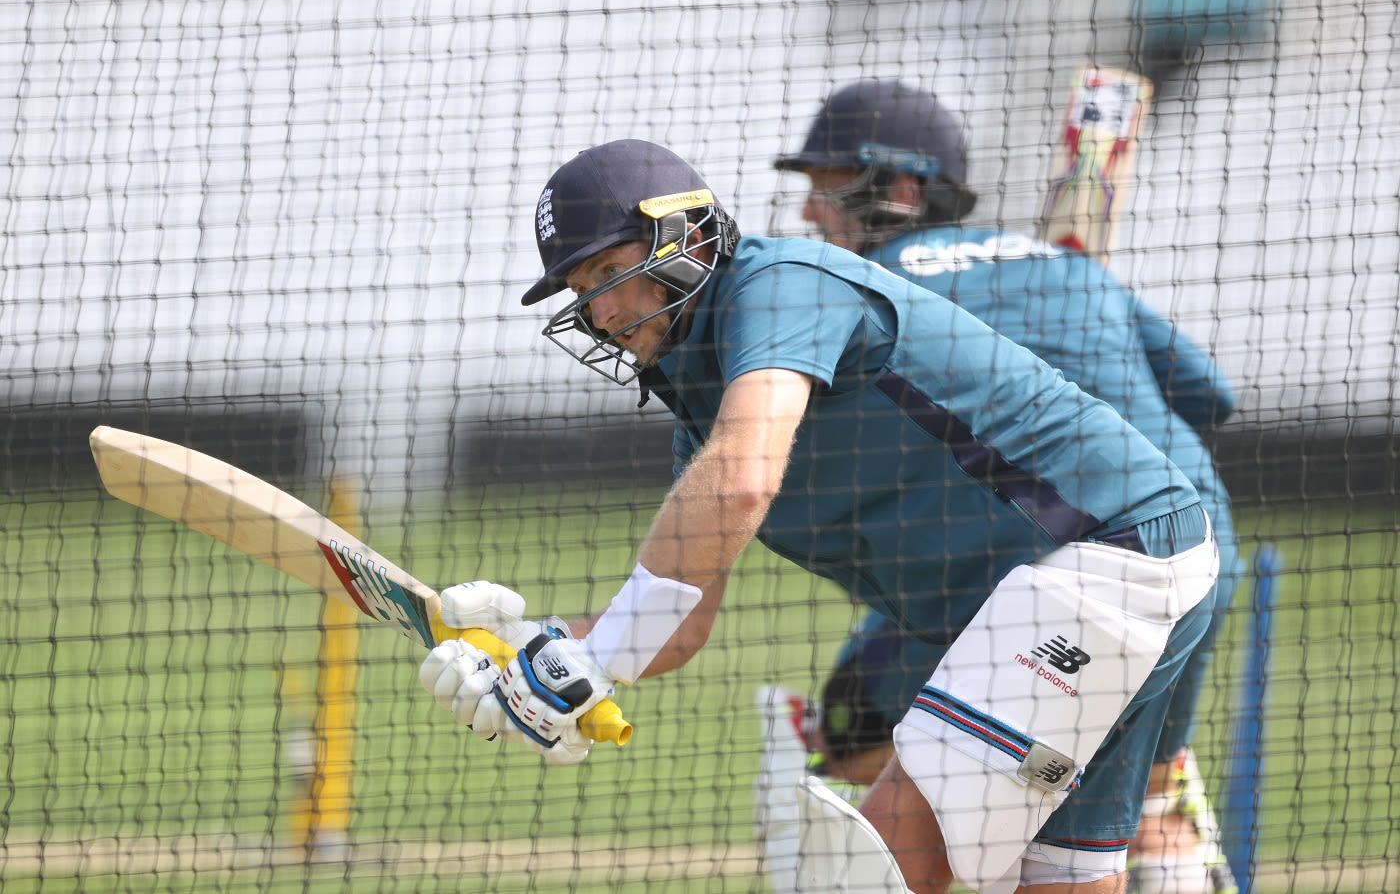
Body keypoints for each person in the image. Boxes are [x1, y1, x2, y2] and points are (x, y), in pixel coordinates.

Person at [416, 137, 1219, 894]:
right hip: (1088, 577)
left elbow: (741, 482)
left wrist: (588, 658)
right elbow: (678, 625)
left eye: (610, 270)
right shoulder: (701, 404)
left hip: (1108, 550)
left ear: (685, 236)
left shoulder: (780, 285)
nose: (600, 309)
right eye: (580, 289)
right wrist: (541, 645)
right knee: (1060, 876)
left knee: (879, 862)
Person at [763, 79, 1243, 894]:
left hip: (1035, 575)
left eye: (827, 185)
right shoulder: (1070, 270)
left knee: (858, 745)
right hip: (1197, 551)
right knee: (1136, 802)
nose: (810, 211)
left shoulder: (869, 295)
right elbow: (1212, 396)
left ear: (900, 189)